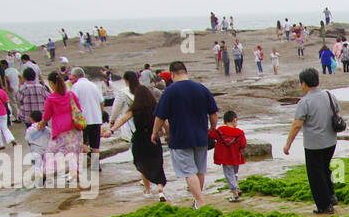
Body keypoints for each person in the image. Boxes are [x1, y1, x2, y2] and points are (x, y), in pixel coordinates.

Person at [152, 61, 218, 208]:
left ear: (172, 74)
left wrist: (154, 133)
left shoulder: (169, 92)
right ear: (185, 72)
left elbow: (160, 117)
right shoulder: (201, 89)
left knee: (189, 172)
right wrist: (212, 129)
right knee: (200, 170)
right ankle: (197, 200)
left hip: (180, 138)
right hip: (201, 136)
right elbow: (213, 113)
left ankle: (200, 201)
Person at [105, 70, 167, 199]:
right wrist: (168, 135)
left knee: (142, 164)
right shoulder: (155, 107)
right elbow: (165, 123)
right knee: (157, 163)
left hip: (139, 139)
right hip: (153, 137)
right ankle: (160, 190)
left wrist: (111, 130)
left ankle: (148, 190)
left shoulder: (135, 108)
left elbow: (122, 119)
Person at [284, 69, 339, 214]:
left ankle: (324, 205)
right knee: (325, 168)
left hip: (314, 145)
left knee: (316, 175)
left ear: (304, 83)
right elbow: (337, 114)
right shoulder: (329, 95)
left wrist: (288, 144)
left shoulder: (305, 101)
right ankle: (331, 196)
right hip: (331, 141)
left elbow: (297, 125)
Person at [40, 70, 84, 186]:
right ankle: (76, 173)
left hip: (60, 130)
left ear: (52, 83)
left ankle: (45, 174)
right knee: (73, 153)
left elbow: (47, 115)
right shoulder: (70, 94)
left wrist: (42, 123)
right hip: (74, 128)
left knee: (51, 152)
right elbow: (78, 109)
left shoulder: (51, 98)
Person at [68, 67, 105, 171]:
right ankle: (96, 166)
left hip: (84, 120)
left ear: (75, 76)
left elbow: (73, 104)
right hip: (96, 119)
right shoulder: (94, 85)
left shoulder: (76, 86)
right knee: (95, 145)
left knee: (82, 144)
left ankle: (86, 160)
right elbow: (101, 102)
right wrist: (100, 116)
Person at [210, 111, 247, 202]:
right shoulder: (240, 132)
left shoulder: (220, 130)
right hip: (236, 158)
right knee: (235, 174)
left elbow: (210, 135)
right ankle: (237, 187)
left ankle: (235, 194)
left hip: (225, 158)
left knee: (229, 175)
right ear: (234, 120)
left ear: (225, 121)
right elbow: (243, 145)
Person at [24, 113, 50, 187]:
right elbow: (51, 137)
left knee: (37, 166)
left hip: (35, 150)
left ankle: (39, 181)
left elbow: (27, 139)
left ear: (32, 119)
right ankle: (44, 178)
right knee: (45, 165)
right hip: (45, 149)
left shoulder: (30, 129)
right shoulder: (47, 129)